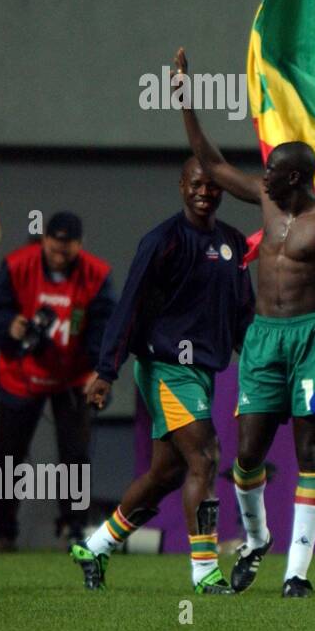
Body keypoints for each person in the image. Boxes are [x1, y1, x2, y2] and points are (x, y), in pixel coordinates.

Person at [176, 47, 315, 599]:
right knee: (247, 455)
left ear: (296, 178)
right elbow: (211, 163)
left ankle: (297, 573)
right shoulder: (267, 197)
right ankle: (257, 539)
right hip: (263, 338)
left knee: (310, 452)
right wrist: (185, 97)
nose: (264, 178)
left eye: (274, 172)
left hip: (311, 337)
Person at [71, 159, 254, 594]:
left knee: (167, 474)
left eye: (213, 186)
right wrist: (106, 370)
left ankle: (95, 546)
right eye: (196, 184)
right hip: (166, 367)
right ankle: (205, 571)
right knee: (205, 457)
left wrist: (256, 362)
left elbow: (243, 313)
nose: (204, 192)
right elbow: (129, 305)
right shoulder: (162, 240)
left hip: (203, 372)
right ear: (181, 186)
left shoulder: (233, 242)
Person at [0, 212, 114, 551]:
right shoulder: (18, 265)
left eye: (67, 249)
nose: (59, 255)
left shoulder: (96, 274)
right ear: (43, 240)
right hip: (21, 374)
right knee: (8, 456)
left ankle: (75, 527)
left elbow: (104, 325)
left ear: (80, 244)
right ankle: (2, 530)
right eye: (54, 248)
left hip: (74, 376)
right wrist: (8, 327)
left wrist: (99, 369)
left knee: (76, 455)